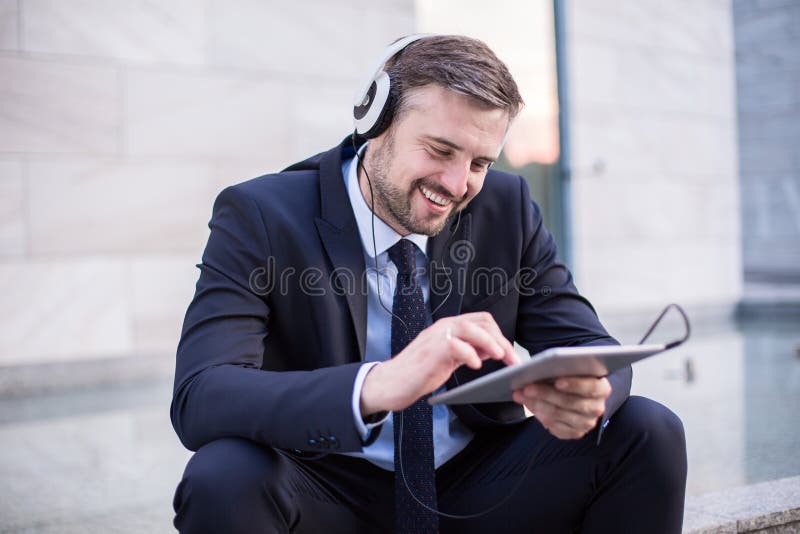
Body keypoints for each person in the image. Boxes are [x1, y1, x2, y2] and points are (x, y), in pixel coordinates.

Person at [171, 34, 687, 533]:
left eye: (480, 162)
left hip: (477, 484)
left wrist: (586, 392)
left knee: (648, 430)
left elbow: (587, 344)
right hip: (325, 484)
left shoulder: (507, 207)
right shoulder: (260, 214)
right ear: (376, 122)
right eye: (441, 150)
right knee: (224, 476)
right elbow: (202, 394)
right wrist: (376, 385)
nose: (459, 185)